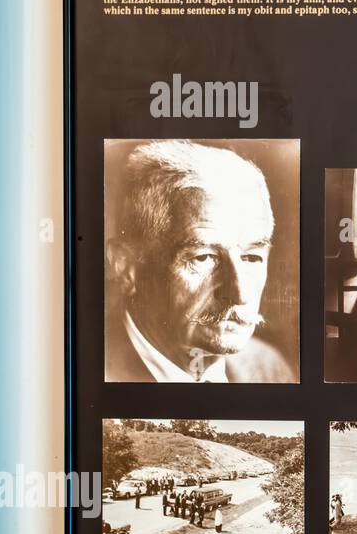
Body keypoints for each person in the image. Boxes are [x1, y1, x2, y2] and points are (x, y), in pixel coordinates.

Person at [103, 140, 296, 383]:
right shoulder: (94, 372)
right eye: (203, 257)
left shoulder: (268, 369)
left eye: (251, 257)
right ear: (125, 267)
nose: (240, 294)